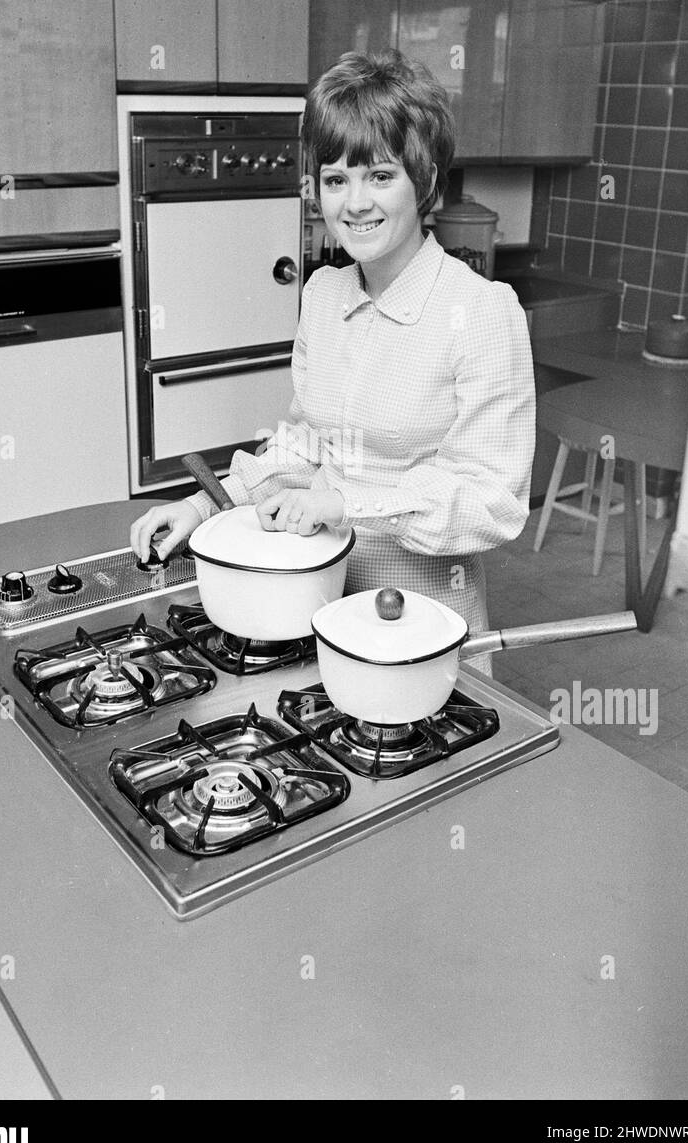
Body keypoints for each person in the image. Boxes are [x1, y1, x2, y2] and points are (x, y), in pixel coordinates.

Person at [130, 50, 535, 675]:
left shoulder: (482, 311)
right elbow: (305, 444)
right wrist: (203, 505)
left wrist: (349, 503)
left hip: (421, 628)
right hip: (319, 604)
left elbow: (494, 501)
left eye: (379, 175)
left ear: (424, 180)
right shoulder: (322, 296)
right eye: (336, 178)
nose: (355, 202)